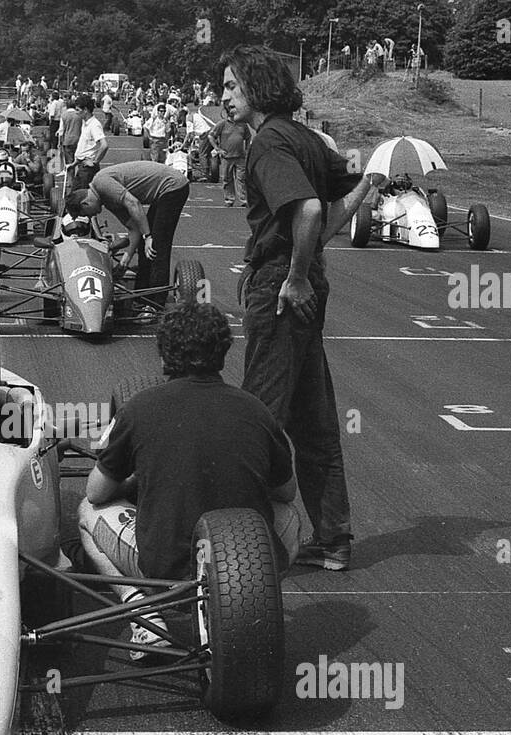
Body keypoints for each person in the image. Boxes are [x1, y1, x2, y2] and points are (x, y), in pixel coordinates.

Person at [220, 45, 380, 571]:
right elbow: (358, 184)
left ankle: (240, 549)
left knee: (255, 419)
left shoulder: (266, 142)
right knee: (314, 422)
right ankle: (332, 539)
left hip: (280, 289)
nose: (223, 98)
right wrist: (311, 259)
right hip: (307, 284)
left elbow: (309, 207)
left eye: (230, 87)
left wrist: (292, 272)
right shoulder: (308, 138)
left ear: (257, 89)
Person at [78, 300, 299, 657]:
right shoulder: (256, 409)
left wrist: (142, 478)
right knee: (288, 516)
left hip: (166, 568)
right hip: (245, 567)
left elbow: (96, 491)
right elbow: (286, 491)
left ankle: (145, 617)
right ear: (222, 354)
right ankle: (246, 606)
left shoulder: (139, 407)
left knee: (87, 514)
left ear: (165, 357)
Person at [63, 158, 188, 297]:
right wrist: (124, 262)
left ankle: (155, 304)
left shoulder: (101, 182)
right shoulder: (108, 201)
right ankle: (141, 295)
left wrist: (148, 236)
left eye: (85, 214)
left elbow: (134, 203)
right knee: (144, 246)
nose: (91, 215)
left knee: (156, 247)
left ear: (85, 203)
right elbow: (134, 229)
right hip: (163, 190)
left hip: (173, 185)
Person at [208, 112, 251, 206]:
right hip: (226, 157)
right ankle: (229, 200)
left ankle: (243, 200)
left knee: (242, 179)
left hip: (240, 156)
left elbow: (248, 137)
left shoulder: (243, 124)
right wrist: (217, 149)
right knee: (227, 179)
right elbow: (211, 136)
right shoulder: (222, 124)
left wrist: (247, 149)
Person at [69, 94, 107, 189]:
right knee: (74, 197)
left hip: (87, 170)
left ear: (85, 110)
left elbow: (104, 145)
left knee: (81, 198)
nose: (76, 113)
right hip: (82, 166)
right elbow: (85, 148)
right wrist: (74, 164)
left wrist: (94, 162)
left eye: (78, 110)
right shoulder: (85, 123)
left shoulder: (94, 125)